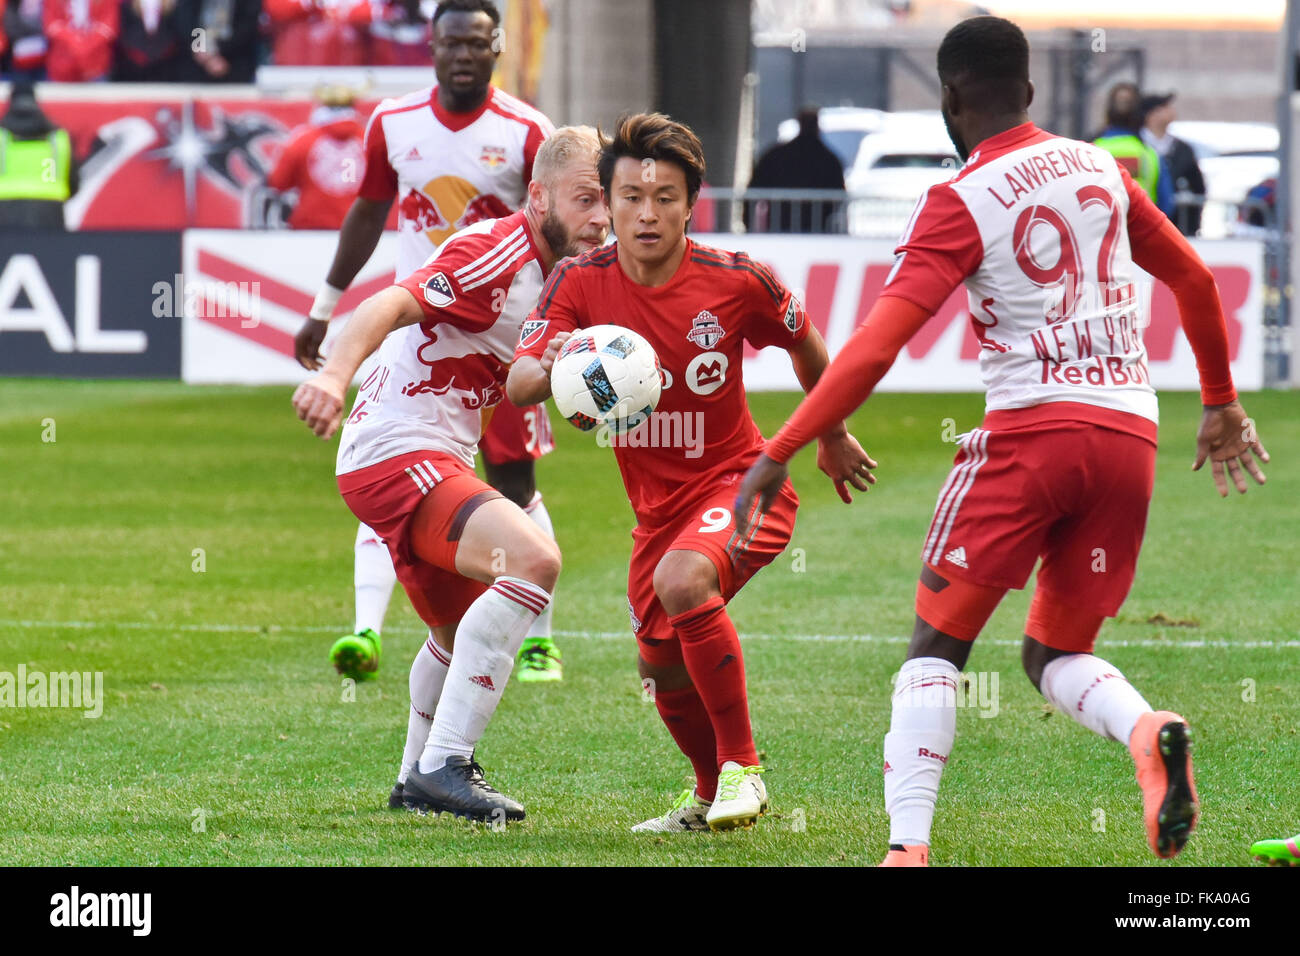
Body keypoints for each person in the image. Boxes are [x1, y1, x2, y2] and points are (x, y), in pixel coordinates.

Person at [735, 15, 1270, 866]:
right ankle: (1146, 730)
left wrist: (782, 446)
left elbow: (879, 341)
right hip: (1129, 435)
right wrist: (1222, 403)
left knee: (936, 647)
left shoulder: (960, 198)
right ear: (1027, 91)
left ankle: (907, 850)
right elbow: (1195, 278)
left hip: (1031, 435)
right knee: (1054, 650)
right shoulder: (1098, 163)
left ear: (950, 97)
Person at [507, 112, 873, 832]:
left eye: (665, 197)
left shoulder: (736, 281)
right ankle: (708, 796)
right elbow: (520, 383)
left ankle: (746, 770)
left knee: (684, 582)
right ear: (607, 201)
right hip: (657, 514)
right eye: (631, 197)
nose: (647, 213)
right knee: (659, 669)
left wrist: (830, 434)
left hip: (743, 485)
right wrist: (558, 361)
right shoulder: (578, 282)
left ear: (690, 203)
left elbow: (808, 347)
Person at [291, 125, 609, 819]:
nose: (602, 218)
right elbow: (392, 303)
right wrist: (333, 376)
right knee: (533, 559)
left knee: (452, 627)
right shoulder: (496, 250)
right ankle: (447, 764)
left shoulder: (573, 276)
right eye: (586, 199)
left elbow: (524, 383)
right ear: (538, 195)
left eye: (607, 200)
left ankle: (413, 782)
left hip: (425, 453)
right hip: (394, 447)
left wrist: (583, 389)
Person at [294, 0, 567, 683]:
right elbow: (368, 210)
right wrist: (324, 308)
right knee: (395, 453)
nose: (464, 55)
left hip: (503, 334)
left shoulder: (529, 130)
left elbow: (558, 235)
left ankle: (539, 638)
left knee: (512, 479)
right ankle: (365, 626)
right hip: (416, 324)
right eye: (453, 43)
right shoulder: (394, 122)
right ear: (433, 46)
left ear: (497, 47)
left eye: (477, 43)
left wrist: (558, 324)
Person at [265, 86, 365, 230]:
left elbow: (278, 182)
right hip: (359, 229)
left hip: (311, 227)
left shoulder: (303, 139)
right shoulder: (369, 140)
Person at [746, 107, 846, 234]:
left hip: (778, 226)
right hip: (817, 230)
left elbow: (753, 190)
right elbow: (839, 196)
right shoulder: (829, 159)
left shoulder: (775, 155)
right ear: (817, 125)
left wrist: (747, 225)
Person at [0, 77, 78, 231]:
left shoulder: (2, 136)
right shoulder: (58, 138)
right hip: (49, 209)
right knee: (49, 253)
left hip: (4, 210)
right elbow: (74, 182)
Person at [1093, 81, 1174, 218]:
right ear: (1139, 115)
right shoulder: (1150, 155)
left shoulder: (1089, 153)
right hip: (1140, 233)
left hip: (1102, 234)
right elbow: (1166, 204)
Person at [1141, 92, 1205, 237]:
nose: (1171, 111)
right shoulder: (1137, 145)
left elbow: (1198, 187)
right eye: (1163, 107)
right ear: (1151, 115)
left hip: (1177, 228)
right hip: (1143, 223)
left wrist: (1193, 225)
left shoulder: (1182, 149)